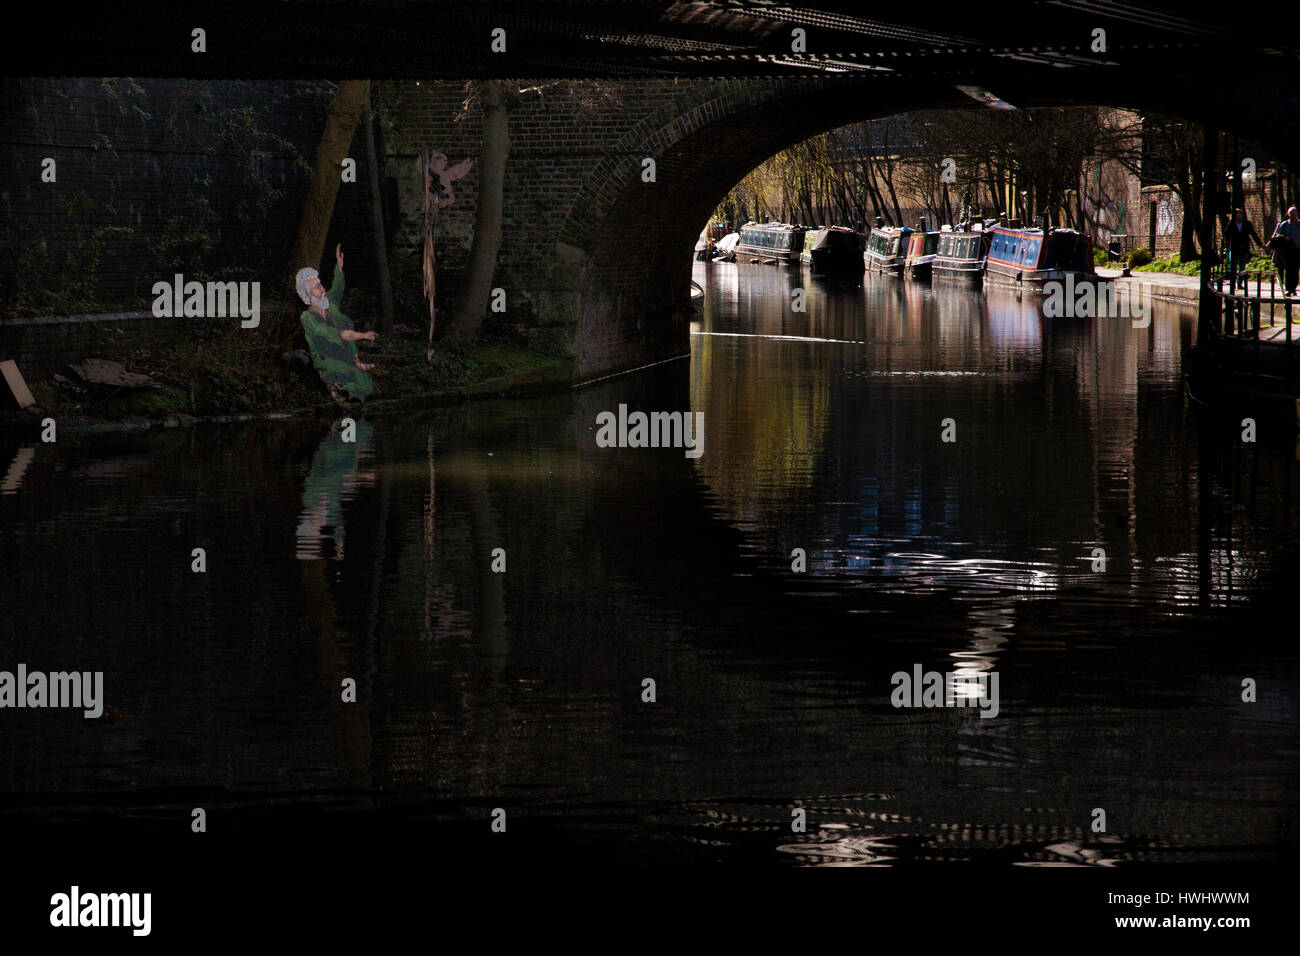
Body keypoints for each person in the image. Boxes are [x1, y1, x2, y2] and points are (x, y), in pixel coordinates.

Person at [296, 244, 378, 402]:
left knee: (364, 381)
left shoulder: (330, 305)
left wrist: (339, 268)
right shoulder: (307, 317)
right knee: (354, 374)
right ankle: (340, 390)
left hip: (343, 356)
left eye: (320, 284)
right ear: (307, 294)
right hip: (326, 360)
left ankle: (350, 397)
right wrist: (363, 335)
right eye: (317, 287)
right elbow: (331, 333)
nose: (323, 289)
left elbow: (338, 288)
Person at [1223, 208, 1263, 291]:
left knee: (1242, 266)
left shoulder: (1247, 224)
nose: (1238, 217)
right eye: (1236, 215)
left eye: (1239, 215)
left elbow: (1253, 234)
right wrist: (1230, 222)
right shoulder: (1232, 224)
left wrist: (1260, 244)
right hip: (1234, 248)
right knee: (1232, 267)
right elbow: (1225, 233)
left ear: (1242, 215)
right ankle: (1232, 284)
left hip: (1244, 248)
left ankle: (1239, 283)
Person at [1271, 206, 1300, 296]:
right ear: (1288, 214)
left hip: (1298, 250)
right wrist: (1284, 238)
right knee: (1288, 269)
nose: (1293, 216)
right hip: (1287, 250)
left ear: (1297, 214)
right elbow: (1278, 235)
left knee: (1295, 269)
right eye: (1291, 214)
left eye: (1294, 214)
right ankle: (1288, 288)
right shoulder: (1284, 224)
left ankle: (1294, 288)